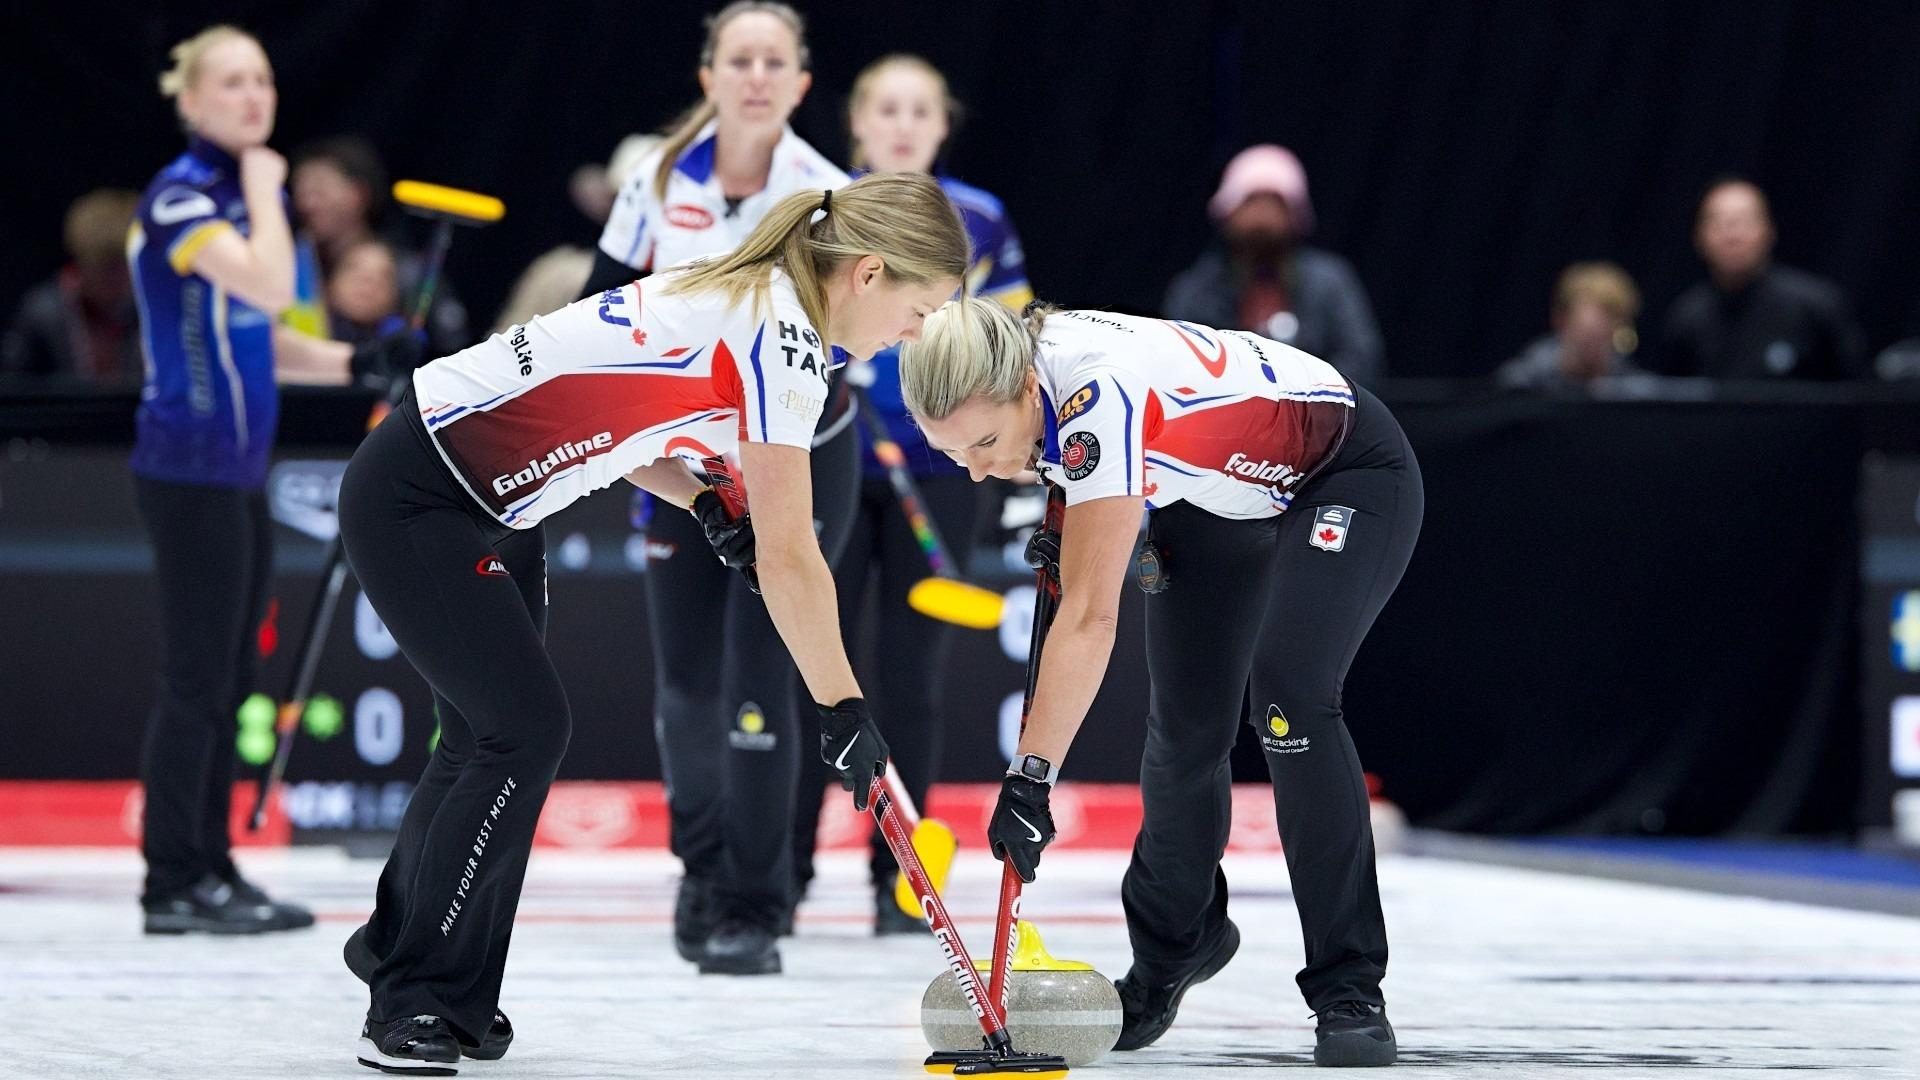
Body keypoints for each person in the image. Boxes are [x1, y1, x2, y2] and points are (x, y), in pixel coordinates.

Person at [336, 170, 969, 1073]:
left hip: (495, 504)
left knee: (480, 738)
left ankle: (418, 969)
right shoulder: (782, 338)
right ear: (868, 274)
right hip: (423, 493)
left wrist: (702, 491)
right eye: (920, 310)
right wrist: (843, 709)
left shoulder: (756, 298)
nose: (912, 336)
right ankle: (417, 997)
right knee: (521, 732)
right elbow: (793, 555)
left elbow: (619, 425)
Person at [900, 297, 1422, 1068]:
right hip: (1209, 495)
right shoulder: (1026, 389)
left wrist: (1031, 779)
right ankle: (1176, 950)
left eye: (985, 442)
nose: (978, 469)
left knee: (1289, 698)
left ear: (1021, 388)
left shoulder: (1094, 393)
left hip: (1340, 469)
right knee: (1183, 734)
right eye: (955, 456)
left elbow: (1088, 617)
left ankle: (1349, 987)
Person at [578, 1, 861, 974]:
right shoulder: (655, 181)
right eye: (736, 58)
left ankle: (756, 897)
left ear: (800, 82)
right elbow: (597, 315)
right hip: (676, 465)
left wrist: (758, 447)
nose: (753, 76)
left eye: (772, 60)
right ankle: (701, 873)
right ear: (707, 75)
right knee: (686, 687)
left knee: (760, 682)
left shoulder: (828, 195)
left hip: (794, 454)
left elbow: (844, 349)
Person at [128, 24, 368, 938]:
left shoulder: (227, 201)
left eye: (262, 78)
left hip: (235, 471)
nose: (253, 95)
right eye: (230, 82)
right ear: (189, 101)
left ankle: (209, 866)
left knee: (233, 676)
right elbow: (268, 288)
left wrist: (356, 364)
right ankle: (172, 880)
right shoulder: (184, 198)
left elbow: (257, 337)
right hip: (186, 468)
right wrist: (271, 191)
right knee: (198, 680)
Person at [788, 53, 1033, 934]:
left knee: (912, 679)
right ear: (856, 123)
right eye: (884, 109)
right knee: (814, 664)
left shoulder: (981, 220)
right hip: (831, 458)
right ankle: (783, 873)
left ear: (942, 125)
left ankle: (901, 885)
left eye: (918, 111)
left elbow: (1008, 343)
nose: (900, 125)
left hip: (945, 469)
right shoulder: (823, 208)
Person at [1163, 144, 1384, 386]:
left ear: (1295, 213)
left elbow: (1361, 356)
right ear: (1227, 212)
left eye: (1275, 202)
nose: (1262, 214)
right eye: (1250, 201)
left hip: (1316, 415)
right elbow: (1177, 366)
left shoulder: (1330, 282)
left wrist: (1313, 400)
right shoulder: (1195, 289)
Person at [1658, 178, 1864, 380]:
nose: (1732, 236)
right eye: (1719, 223)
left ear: (1768, 231)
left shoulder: (1815, 307)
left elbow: (1854, 393)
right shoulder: (1687, 317)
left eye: (1744, 221)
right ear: (1699, 237)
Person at [286, 135, 471, 353]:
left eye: (319, 191)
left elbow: (454, 347)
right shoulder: (293, 263)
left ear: (358, 194)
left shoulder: (410, 272)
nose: (308, 204)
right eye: (302, 192)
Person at [2, 188, 142, 386]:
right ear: (81, 260)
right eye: (106, 267)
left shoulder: (153, 310)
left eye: (126, 265)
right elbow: (13, 393)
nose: (119, 278)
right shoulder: (42, 314)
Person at [1497, 262, 1646, 392]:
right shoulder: (1520, 385)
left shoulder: (1629, 387)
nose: (1593, 347)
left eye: (1602, 336)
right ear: (1560, 321)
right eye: (1586, 334)